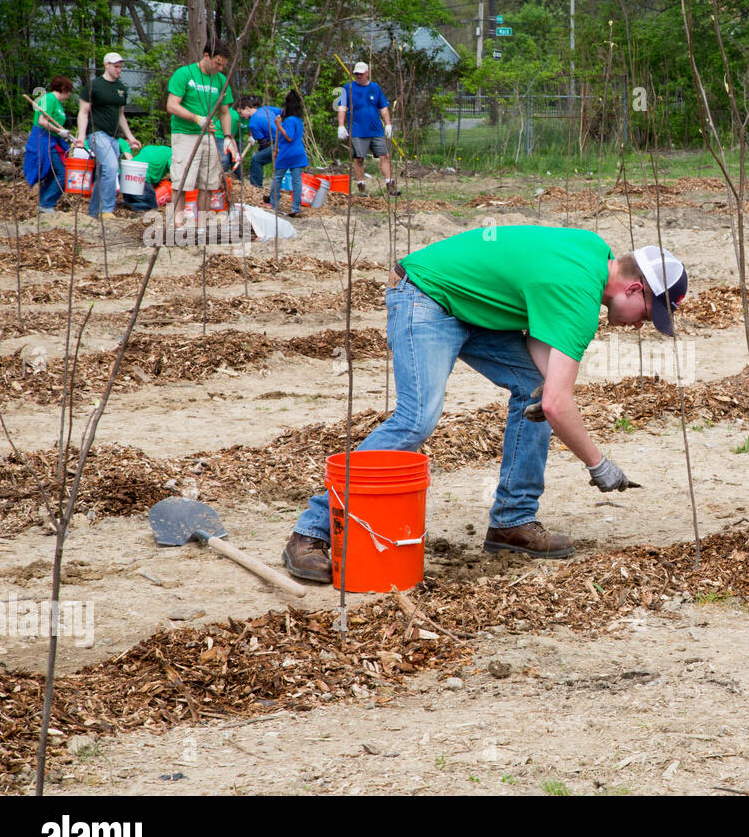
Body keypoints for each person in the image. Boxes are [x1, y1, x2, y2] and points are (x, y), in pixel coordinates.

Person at [281, 227, 689, 583]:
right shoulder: (579, 294)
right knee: (415, 419)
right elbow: (558, 404)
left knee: (534, 392)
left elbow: (537, 346)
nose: (641, 325)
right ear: (634, 289)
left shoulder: (591, 251)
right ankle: (311, 531)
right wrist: (599, 465)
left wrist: (548, 395)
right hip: (426, 294)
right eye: (648, 315)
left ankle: (512, 522)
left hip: (475, 309)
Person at [166, 41, 237, 228]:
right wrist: (197, 119)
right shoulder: (185, 74)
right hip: (186, 134)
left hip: (211, 137)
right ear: (207, 56)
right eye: (217, 63)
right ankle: (177, 224)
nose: (220, 68)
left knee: (208, 183)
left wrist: (228, 137)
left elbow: (224, 112)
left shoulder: (221, 80)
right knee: (182, 181)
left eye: (223, 65)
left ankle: (202, 226)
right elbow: (172, 105)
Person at [74, 52, 142, 222]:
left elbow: (121, 115)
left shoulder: (121, 89)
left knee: (103, 173)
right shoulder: (94, 86)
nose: (119, 69)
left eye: (120, 66)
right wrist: (81, 137)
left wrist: (130, 137)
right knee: (111, 168)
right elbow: (83, 112)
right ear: (106, 65)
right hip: (97, 133)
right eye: (116, 66)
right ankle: (107, 210)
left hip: (113, 137)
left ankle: (92, 214)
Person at [338, 62, 398, 196]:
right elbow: (342, 107)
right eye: (356, 74)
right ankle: (361, 187)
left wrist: (388, 123)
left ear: (367, 73)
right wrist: (341, 126)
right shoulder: (347, 88)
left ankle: (390, 185)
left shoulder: (375, 88)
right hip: (358, 131)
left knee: (385, 156)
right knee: (359, 158)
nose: (358, 76)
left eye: (360, 74)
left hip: (376, 130)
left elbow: (383, 107)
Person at [23, 76, 73, 214]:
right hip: (44, 140)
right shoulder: (49, 99)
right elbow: (42, 120)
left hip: (53, 140)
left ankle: (44, 205)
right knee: (63, 172)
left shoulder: (57, 102)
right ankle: (46, 204)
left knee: (51, 173)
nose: (69, 94)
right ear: (64, 89)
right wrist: (59, 131)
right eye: (69, 90)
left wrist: (63, 134)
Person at [271, 89, 308, 218]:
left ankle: (274, 204)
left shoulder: (291, 120)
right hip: (298, 153)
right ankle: (295, 208)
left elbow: (289, 137)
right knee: (297, 180)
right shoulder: (299, 120)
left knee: (277, 178)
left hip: (288, 153)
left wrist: (279, 125)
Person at [118, 143, 172, 212]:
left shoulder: (151, 148)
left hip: (124, 173)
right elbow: (175, 170)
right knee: (151, 205)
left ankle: (128, 205)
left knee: (132, 198)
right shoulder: (172, 154)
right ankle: (135, 207)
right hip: (139, 177)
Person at [243, 95, 282, 188]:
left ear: (247, 108)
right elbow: (283, 112)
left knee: (256, 160)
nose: (242, 116)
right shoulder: (266, 109)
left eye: (241, 113)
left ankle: (256, 187)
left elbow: (263, 144)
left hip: (279, 144)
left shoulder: (252, 123)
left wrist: (258, 151)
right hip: (287, 139)